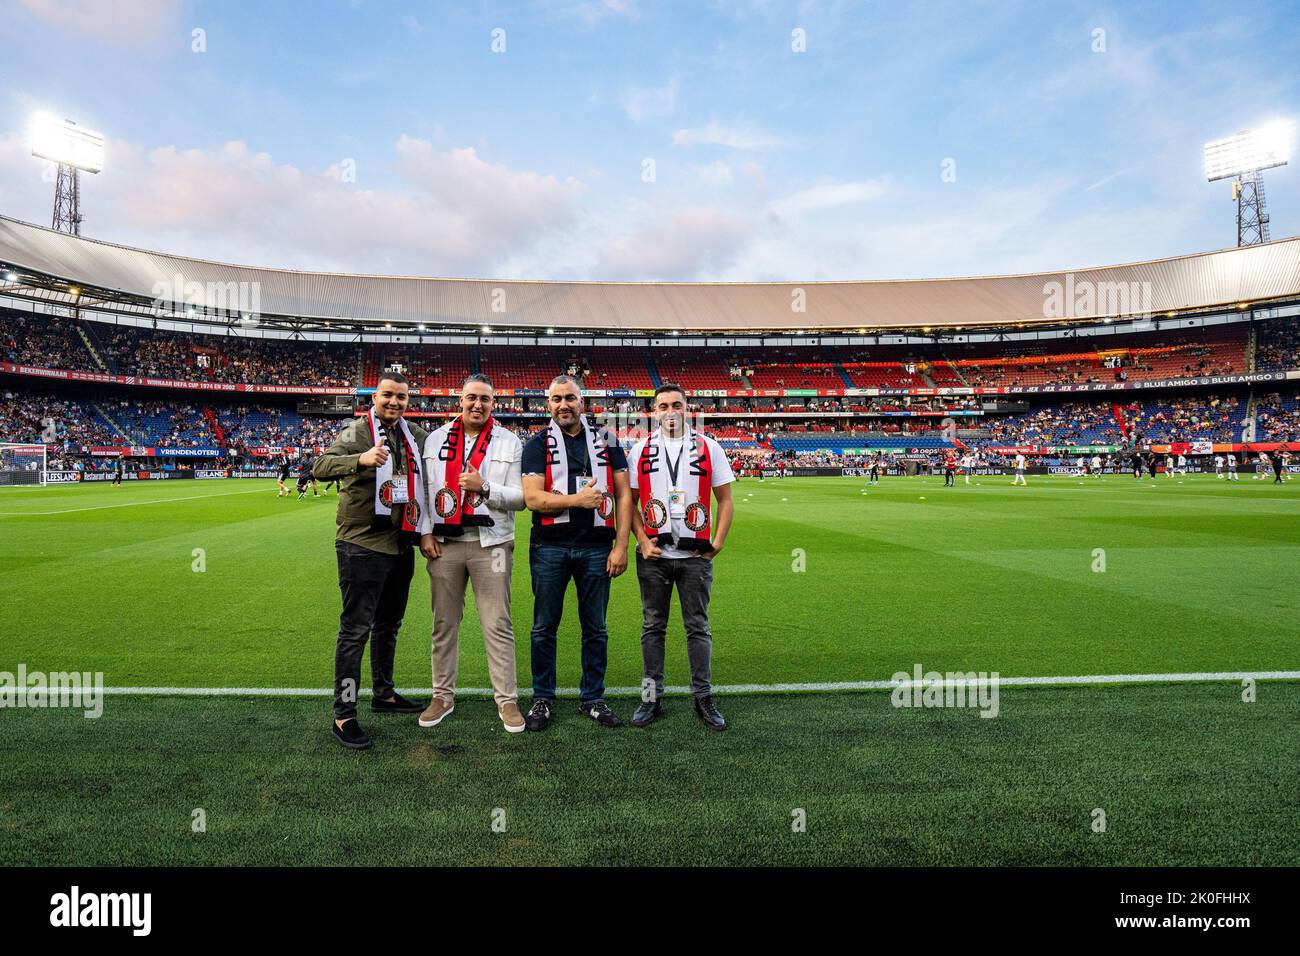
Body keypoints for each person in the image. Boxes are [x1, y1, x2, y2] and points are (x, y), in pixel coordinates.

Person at [314, 373, 429, 750]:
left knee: (388, 625)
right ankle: (343, 714)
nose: (394, 402)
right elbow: (321, 467)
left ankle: (384, 692)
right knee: (355, 630)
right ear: (374, 397)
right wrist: (360, 460)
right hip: (362, 544)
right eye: (388, 395)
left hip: (399, 544)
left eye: (401, 396)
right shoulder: (357, 431)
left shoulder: (413, 434)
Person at [520, 375, 633, 731]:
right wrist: (576, 501)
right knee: (543, 627)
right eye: (556, 399)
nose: (563, 405)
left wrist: (621, 545)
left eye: (569, 398)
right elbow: (533, 499)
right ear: (548, 405)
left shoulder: (608, 439)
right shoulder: (537, 444)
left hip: (598, 547)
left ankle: (593, 698)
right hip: (549, 546)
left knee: (596, 628)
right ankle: (542, 698)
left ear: (581, 403)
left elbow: (624, 494)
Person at [416, 374, 528, 734]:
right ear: (459, 401)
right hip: (445, 544)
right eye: (471, 398)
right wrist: (426, 532)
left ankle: (507, 700)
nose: (477, 404)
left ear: (493, 404)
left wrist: (486, 487)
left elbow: (521, 498)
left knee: (497, 623)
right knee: (444, 623)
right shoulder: (435, 438)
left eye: (485, 399)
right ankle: (442, 695)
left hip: (491, 542)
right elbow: (424, 491)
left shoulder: (509, 442)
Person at [628, 384, 735, 731]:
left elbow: (726, 499)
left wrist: (717, 542)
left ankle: (703, 697)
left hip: (694, 556)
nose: (670, 411)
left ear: (687, 409)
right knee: (652, 627)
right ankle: (650, 697)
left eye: (677, 405)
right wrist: (642, 540)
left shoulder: (710, 447)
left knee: (698, 627)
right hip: (654, 555)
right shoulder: (640, 449)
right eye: (663, 406)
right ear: (654, 412)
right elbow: (628, 502)